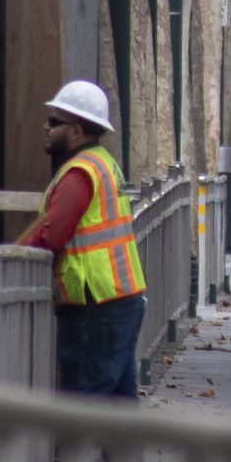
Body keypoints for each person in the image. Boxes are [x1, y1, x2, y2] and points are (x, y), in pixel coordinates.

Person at [16, 80, 149, 400]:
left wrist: (15, 255)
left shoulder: (80, 172)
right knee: (118, 401)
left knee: (82, 404)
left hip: (95, 303)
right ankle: (123, 453)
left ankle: (84, 453)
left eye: (54, 122)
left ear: (75, 131)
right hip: (118, 296)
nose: (46, 127)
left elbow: (53, 233)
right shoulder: (102, 163)